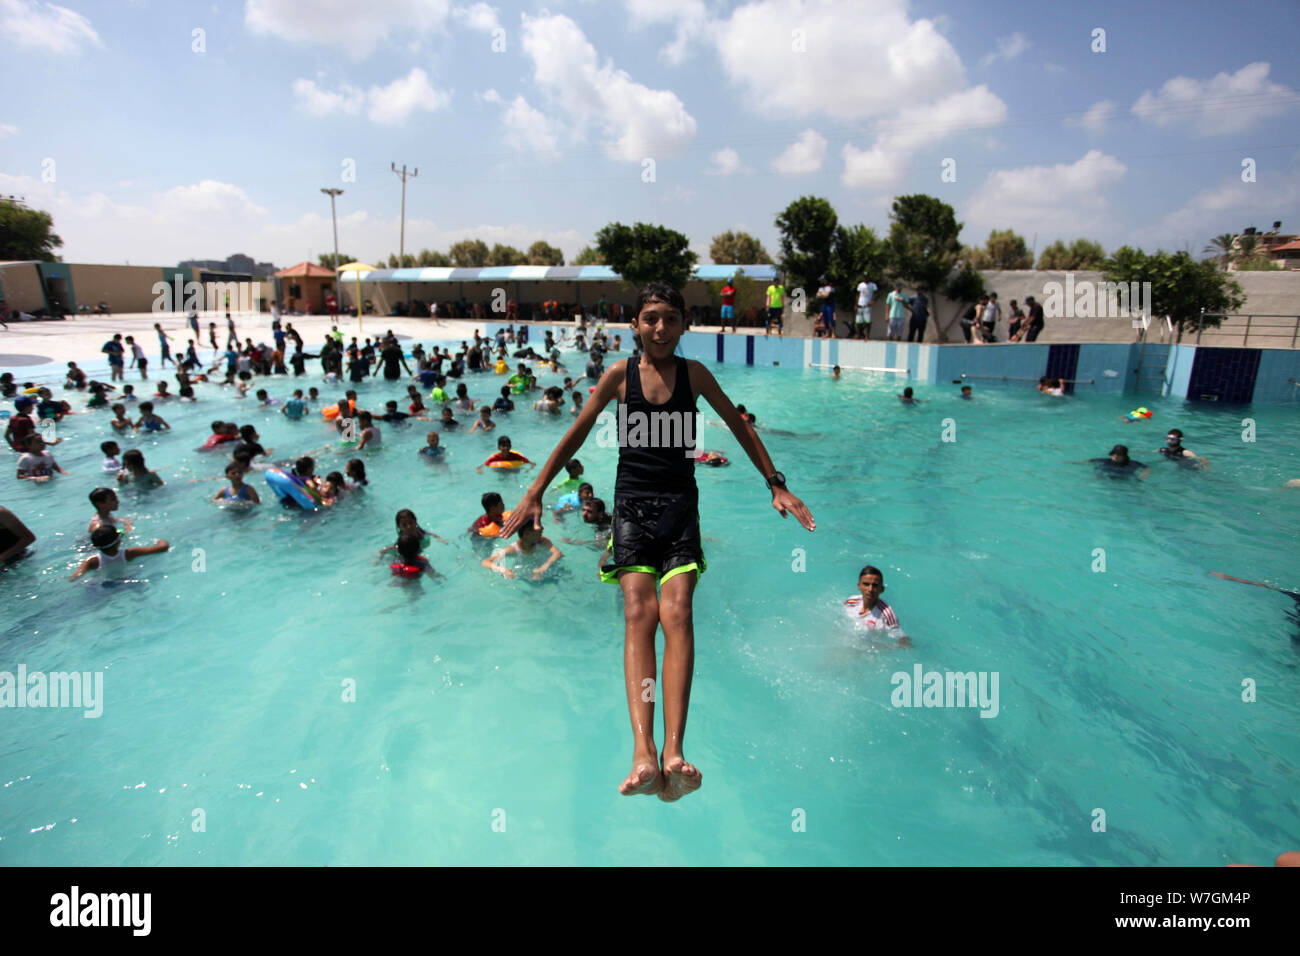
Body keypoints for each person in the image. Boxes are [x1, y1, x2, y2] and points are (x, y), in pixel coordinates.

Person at [497, 280, 815, 800]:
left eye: (670, 318)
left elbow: (739, 427)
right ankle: (643, 752)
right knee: (639, 615)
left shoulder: (696, 375)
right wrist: (535, 491)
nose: (660, 328)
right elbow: (576, 431)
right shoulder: (621, 375)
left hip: (679, 510)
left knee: (679, 613)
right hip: (630, 511)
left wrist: (775, 484)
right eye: (650, 318)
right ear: (636, 325)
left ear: (684, 323)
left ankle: (674, 750)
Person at [69, 526, 169, 581]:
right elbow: (162, 548)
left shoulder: (92, 561)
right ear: (119, 541)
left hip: (105, 582)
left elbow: (74, 577)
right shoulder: (130, 553)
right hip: (128, 579)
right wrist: (160, 540)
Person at [843, 566, 910, 645]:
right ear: (859, 586)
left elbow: (902, 638)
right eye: (866, 584)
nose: (870, 589)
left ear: (881, 589)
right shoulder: (851, 602)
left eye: (875, 585)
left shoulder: (887, 614)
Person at [481, 521, 562, 580]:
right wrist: (502, 570)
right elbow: (486, 562)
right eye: (538, 529)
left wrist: (542, 568)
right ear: (527, 533)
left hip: (550, 571)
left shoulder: (543, 541)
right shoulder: (514, 549)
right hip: (528, 578)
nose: (542, 529)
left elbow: (558, 553)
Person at [1072, 444, 1149, 479]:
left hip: (1125, 480)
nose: (1115, 456)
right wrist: (1074, 463)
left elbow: (1147, 468)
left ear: (1124, 456)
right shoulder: (1105, 461)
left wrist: (1144, 473)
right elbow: (1089, 461)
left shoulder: (1132, 463)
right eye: (1113, 454)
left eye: (1118, 455)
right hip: (1107, 478)